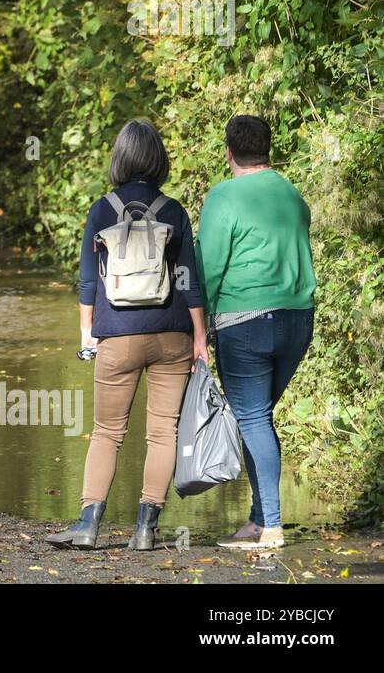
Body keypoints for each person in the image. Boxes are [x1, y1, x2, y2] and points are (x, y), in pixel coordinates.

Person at [46, 119, 209, 551]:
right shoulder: (173, 211)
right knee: (163, 432)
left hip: (117, 334)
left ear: (119, 158)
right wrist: (200, 338)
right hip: (172, 335)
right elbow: (191, 280)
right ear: (158, 159)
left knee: (106, 432)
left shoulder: (102, 210)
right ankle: (145, 529)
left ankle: (87, 524)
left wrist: (87, 335)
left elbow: (86, 281)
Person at [197, 114, 315, 550]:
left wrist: (197, 327)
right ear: (268, 149)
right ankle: (258, 519)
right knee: (257, 418)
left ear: (228, 151)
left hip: (245, 323)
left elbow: (208, 268)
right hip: (297, 320)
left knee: (252, 417)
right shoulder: (291, 192)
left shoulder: (225, 196)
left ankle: (271, 527)